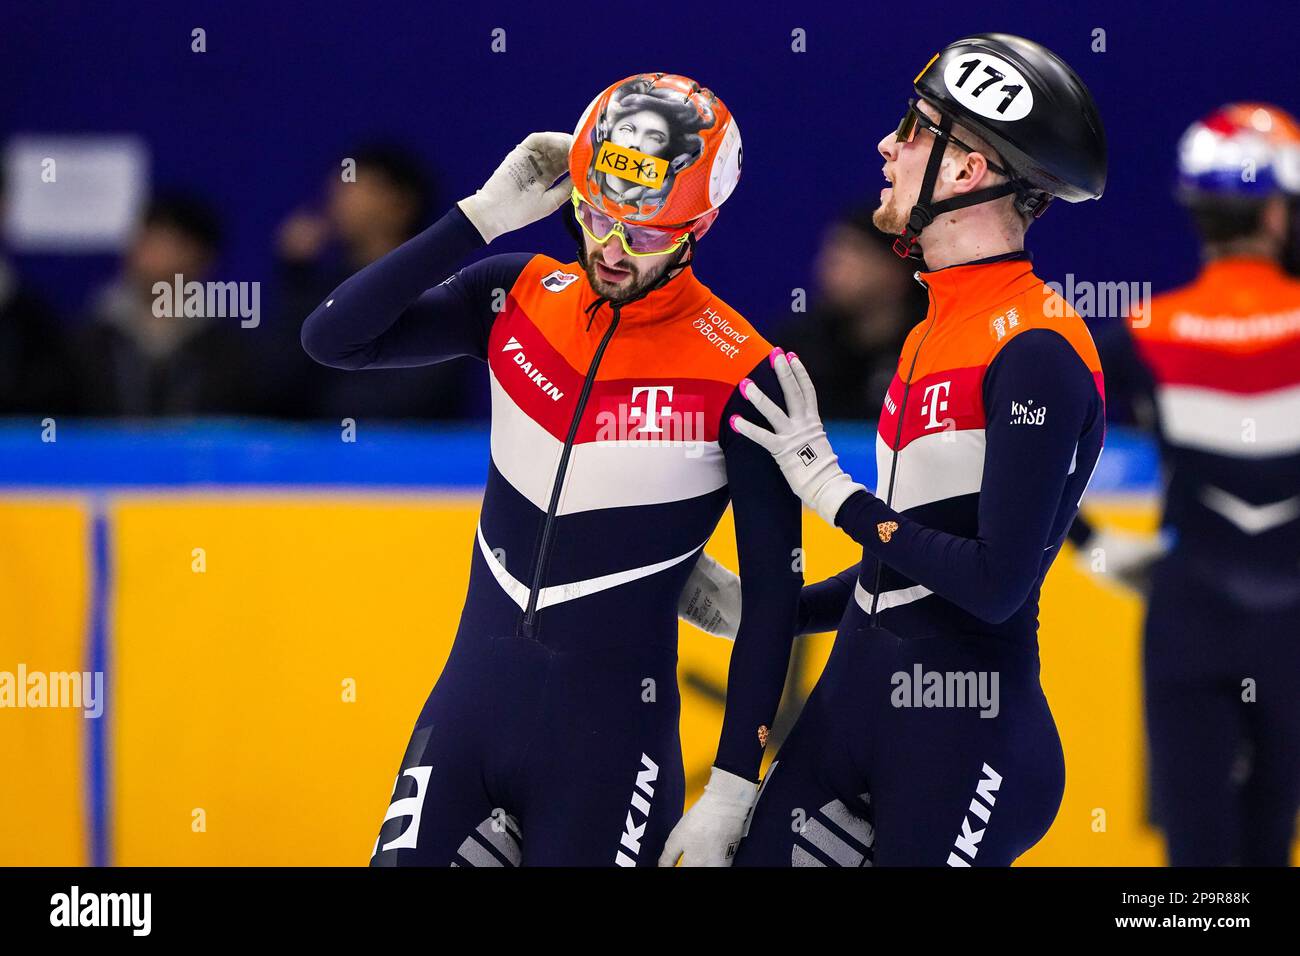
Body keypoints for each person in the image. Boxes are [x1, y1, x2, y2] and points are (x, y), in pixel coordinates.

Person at [301, 73, 802, 867]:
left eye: (642, 234)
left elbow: (771, 610)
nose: (608, 247)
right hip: (469, 714)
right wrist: (480, 218)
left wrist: (734, 788)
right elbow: (334, 338)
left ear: (701, 223)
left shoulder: (743, 372)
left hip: (609, 749)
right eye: (596, 214)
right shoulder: (516, 293)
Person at [672, 34, 1108, 866]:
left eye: (914, 129)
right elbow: (911, 565)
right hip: (858, 702)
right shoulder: (928, 333)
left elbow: (991, 585)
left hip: (966, 729)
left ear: (968, 169)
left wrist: (833, 493)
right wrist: (774, 613)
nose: (887, 145)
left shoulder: (1037, 348)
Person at [1071, 103, 1300, 866]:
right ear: (1278, 212)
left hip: (1187, 617)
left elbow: (1018, 441)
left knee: (1198, 863)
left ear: (1197, 213)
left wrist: (1097, 554)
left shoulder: (1139, 331)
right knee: (1271, 844)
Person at [269, 145, 478, 420]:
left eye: (353, 188)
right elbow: (271, 390)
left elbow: (405, 404)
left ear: (399, 205)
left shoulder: (445, 294)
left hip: (406, 457)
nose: (336, 201)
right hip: (315, 458)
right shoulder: (318, 291)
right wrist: (297, 283)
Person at [75, 193, 257, 416]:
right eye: (148, 239)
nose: (154, 255)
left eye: (171, 243)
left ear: (202, 258)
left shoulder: (229, 353)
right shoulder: (90, 344)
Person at [771, 206, 925, 421]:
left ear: (896, 268)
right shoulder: (793, 349)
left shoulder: (934, 349)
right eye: (833, 253)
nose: (832, 266)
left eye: (855, 252)